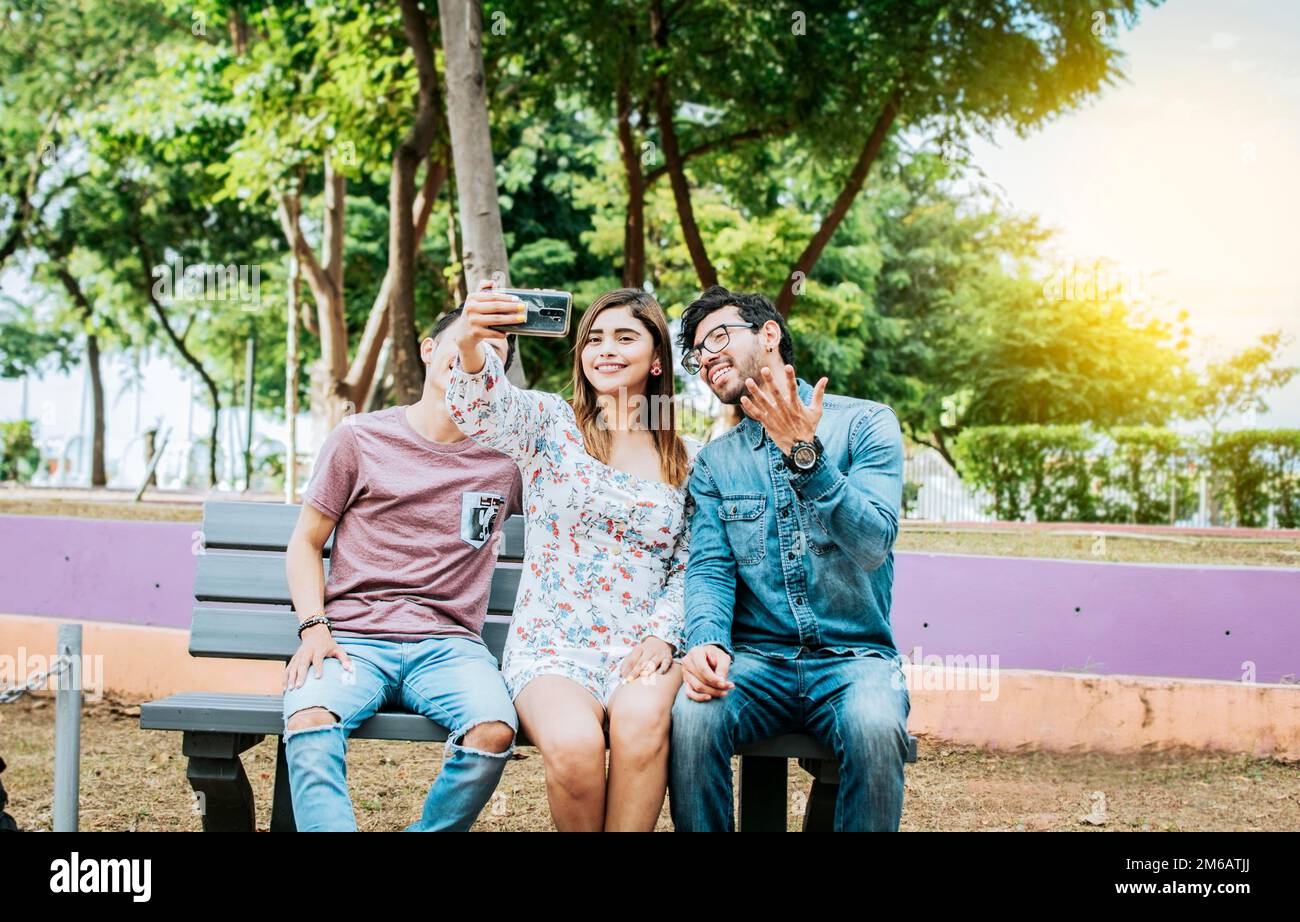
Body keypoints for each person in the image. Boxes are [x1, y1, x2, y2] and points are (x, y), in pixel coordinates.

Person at [446, 280, 698, 831]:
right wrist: (471, 339)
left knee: (642, 725)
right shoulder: (548, 425)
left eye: (625, 337)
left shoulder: (685, 458)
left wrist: (664, 635)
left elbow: (690, 564)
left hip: (644, 649)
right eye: (594, 339)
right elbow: (479, 408)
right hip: (551, 647)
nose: (605, 350)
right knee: (576, 748)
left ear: (658, 359)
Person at [669, 284, 910, 832]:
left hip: (856, 660)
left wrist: (807, 456)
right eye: (697, 353)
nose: (706, 357)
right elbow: (709, 566)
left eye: (718, 337)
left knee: (876, 727)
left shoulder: (867, 424)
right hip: (756, 661)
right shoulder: (715, 463)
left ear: (769, 334)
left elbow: (873, 545)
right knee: (692, 716)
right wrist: (705, 639)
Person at [280, 309, 523, 832]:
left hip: (449, 644)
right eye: (465, 341)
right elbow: (305, 541)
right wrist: (313, 627)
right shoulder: (359, 438)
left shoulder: (507, 462)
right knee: (309, 721)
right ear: (429, 350)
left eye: (492, 356)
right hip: (352, 639)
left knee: (494, 730)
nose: (474, 360)